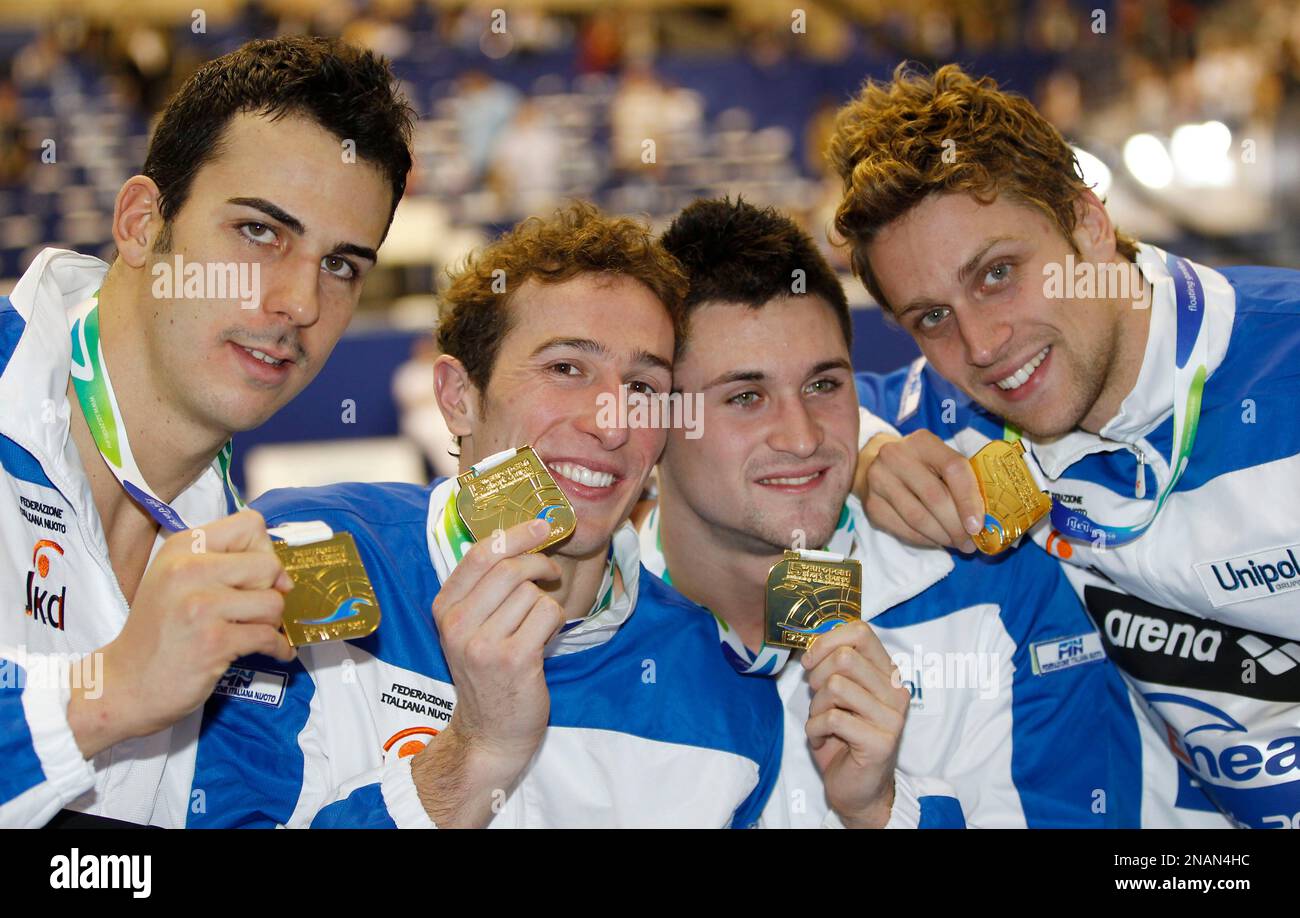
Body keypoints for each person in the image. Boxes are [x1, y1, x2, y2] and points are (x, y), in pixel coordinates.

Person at [186, 204, 782, 828]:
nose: (612, 423)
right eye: (565, 369)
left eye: (643, 387)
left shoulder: (727, 693)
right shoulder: (303, 557)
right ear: (458, 397)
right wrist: (476, 752)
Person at [829, 62, 1297, 827]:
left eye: (999, 274)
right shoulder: (956, 411)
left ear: (1089, 224)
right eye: (931, 319)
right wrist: (870, 456)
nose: (982, 346)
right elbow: (770, 418)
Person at [642, 196, 1180, 828]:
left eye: (823, 385)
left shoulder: (995, 587)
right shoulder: (569, 631)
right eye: (745, 396)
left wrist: (884, 812)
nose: (803, 436)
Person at [0, 36, 415, 828]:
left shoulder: (247, 561)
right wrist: (112, 691)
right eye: (260, 232)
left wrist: (467, 765)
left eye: (342, 266)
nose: (299, 302)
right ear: (141, 225)